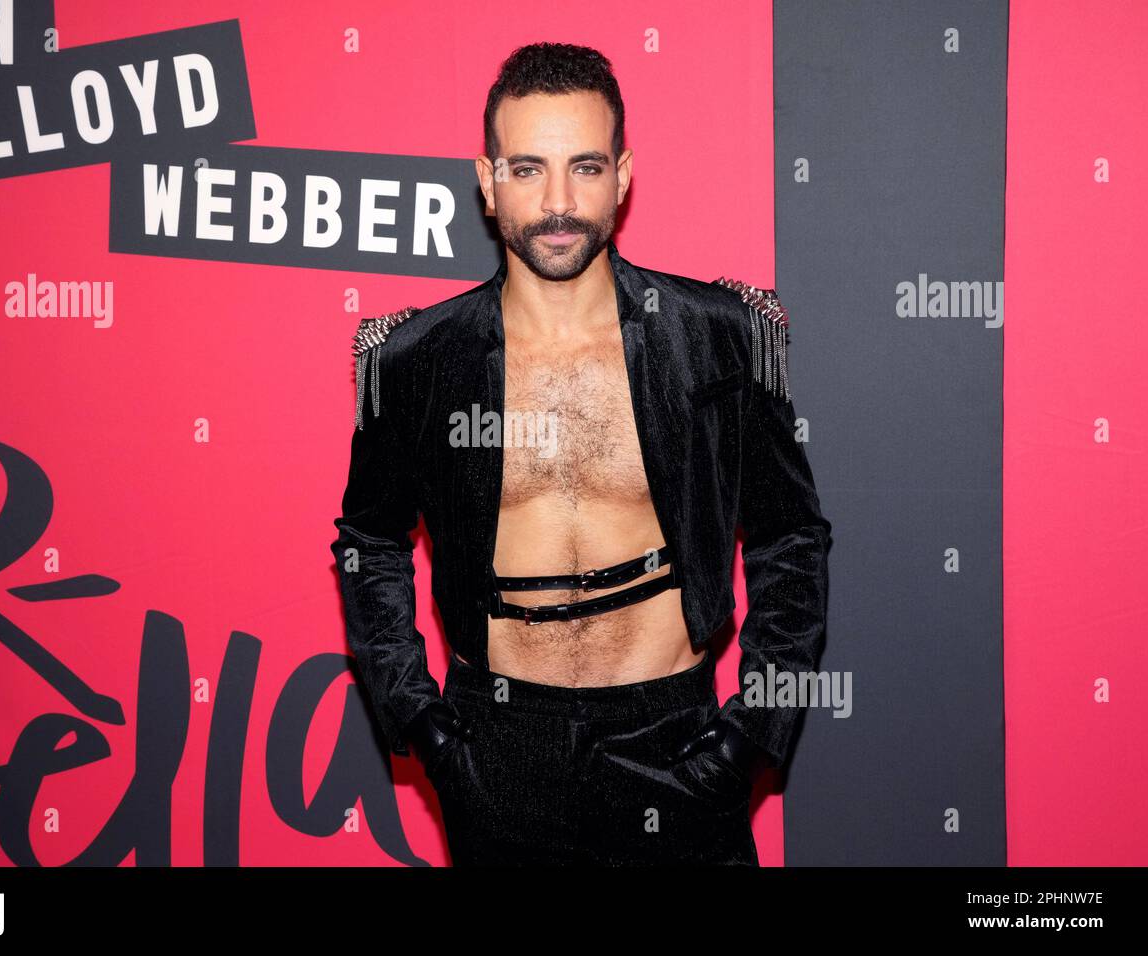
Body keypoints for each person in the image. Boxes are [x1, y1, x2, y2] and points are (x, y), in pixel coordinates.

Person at [330, 42, 832, 865]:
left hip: (678, 742)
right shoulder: (417, 359)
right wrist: (424, 724)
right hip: (497, 750)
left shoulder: (720, 340)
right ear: (488, 183)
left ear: (623, 175)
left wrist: (748, 738)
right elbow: (369, 542)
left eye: (585, 167)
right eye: (527, 169)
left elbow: (790, 541)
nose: (558, 203)